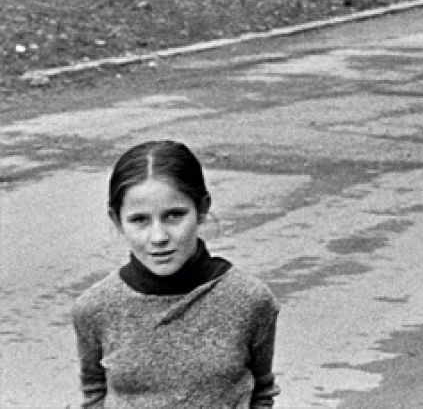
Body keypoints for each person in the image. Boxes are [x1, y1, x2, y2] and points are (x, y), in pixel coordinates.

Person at [72, 139, 280, 409]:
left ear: (202, 209)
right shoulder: (94, 309)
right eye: (139, 220)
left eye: (174, 216)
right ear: (116, 220)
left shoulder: (250, 300)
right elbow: (94, 395)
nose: (158, 237)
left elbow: (262, 393)